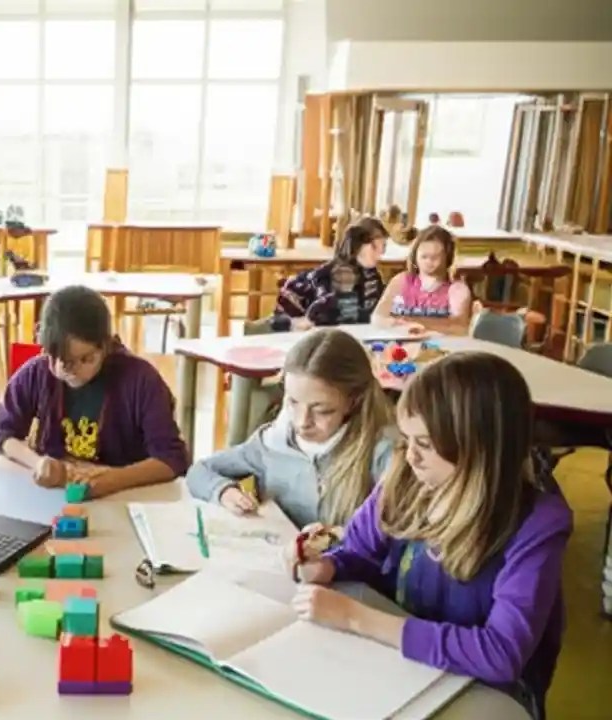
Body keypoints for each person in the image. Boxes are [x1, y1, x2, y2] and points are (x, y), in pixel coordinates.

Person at [288, 353, 571, 720]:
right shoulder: (406, 480)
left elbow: (501, 655)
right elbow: (359, 554)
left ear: (479, 446)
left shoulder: (537, 524)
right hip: (401, 667)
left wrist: (359, 619)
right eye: (406, 440)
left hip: (484, 691)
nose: (410, 458)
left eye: (425, 443)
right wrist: (326, 566)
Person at [185, 328, 394, 529]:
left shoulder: (383, 452)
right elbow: (200, 471)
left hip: (346, 563)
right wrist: (224, 492)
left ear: (354, 401)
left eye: (322, 411)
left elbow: (397, 533)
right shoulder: (273, 442)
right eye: (293, 402)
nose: (302, 422)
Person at [0, 285, 188, 498]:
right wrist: (37, 462)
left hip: (125, 496)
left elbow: (172, 458)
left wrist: (114, 478)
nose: (71, 371)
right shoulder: (36, 373)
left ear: (106, 345)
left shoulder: (140, 379)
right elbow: (5, 435)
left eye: (86, 359)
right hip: (58, 495)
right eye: (61, 360)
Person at [274, 217, 389, 330]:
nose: (380, 254)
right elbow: (342, 314)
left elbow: (377, 307)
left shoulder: (372, 275)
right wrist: (377, 318)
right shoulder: (342, 272)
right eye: (374, 247)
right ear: (357, 244)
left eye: (383, 247)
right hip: (291, 326)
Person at [373, 225, 473, 335]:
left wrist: (415, 322)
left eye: (435, 257)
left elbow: (459, 327)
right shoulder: (401, 281)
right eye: (424, 257)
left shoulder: (457, 289)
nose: (429, 261)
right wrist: (392, 324)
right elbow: (378, 317)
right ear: (415, 255)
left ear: (448, 257)